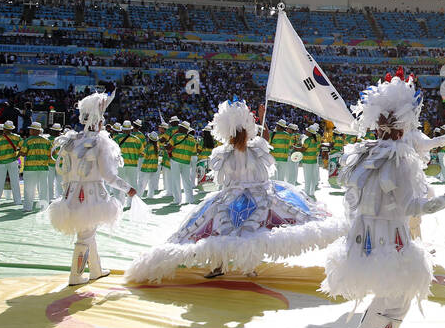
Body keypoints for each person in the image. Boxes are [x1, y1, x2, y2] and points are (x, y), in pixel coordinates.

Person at [323, 71, 445, 328]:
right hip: (395, 242)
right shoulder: (402, 159)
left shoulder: (364, 152)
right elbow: (412, 207)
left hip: (364, 238)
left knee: (389, 295)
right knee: (398, 302)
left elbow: (352, 199)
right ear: (404, 124)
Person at [125, 100, 347, 284]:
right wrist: (262, 119)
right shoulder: (234, 151)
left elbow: (262, 142)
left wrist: (261, 119)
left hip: (242, 196)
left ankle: (228, 266)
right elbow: (265, 139)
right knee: (245, 230)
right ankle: (238, 266)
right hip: (251, 196)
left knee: (231, 231)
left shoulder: (234, 151)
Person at [47, 91, 138, 286]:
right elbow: (108, 175)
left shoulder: (72, 140)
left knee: (88, 233)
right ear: (97, 121)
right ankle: (76, 275)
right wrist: (127, 188)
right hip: (92, 196)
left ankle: (95, 270)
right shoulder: (100, 142)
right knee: (85, 235)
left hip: (72, 194)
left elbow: (64, 170)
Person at [0, 120, 24, 207]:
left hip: (1, 162)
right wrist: (17, 156)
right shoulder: (17, 137)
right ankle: (17, 200)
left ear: (4, 129)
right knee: (15, 182)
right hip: (13, 161)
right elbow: (23, 148)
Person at [19, 122, 53, 211]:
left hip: (30, 168)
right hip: (43, 168)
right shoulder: (47, 141)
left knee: (29, 189)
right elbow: (51, 155)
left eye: (31, 129)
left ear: (35, 130)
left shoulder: (28, 140)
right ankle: (44, 207)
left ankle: (27, 207)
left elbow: (22, 153)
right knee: (43, 189)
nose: (30, 131)